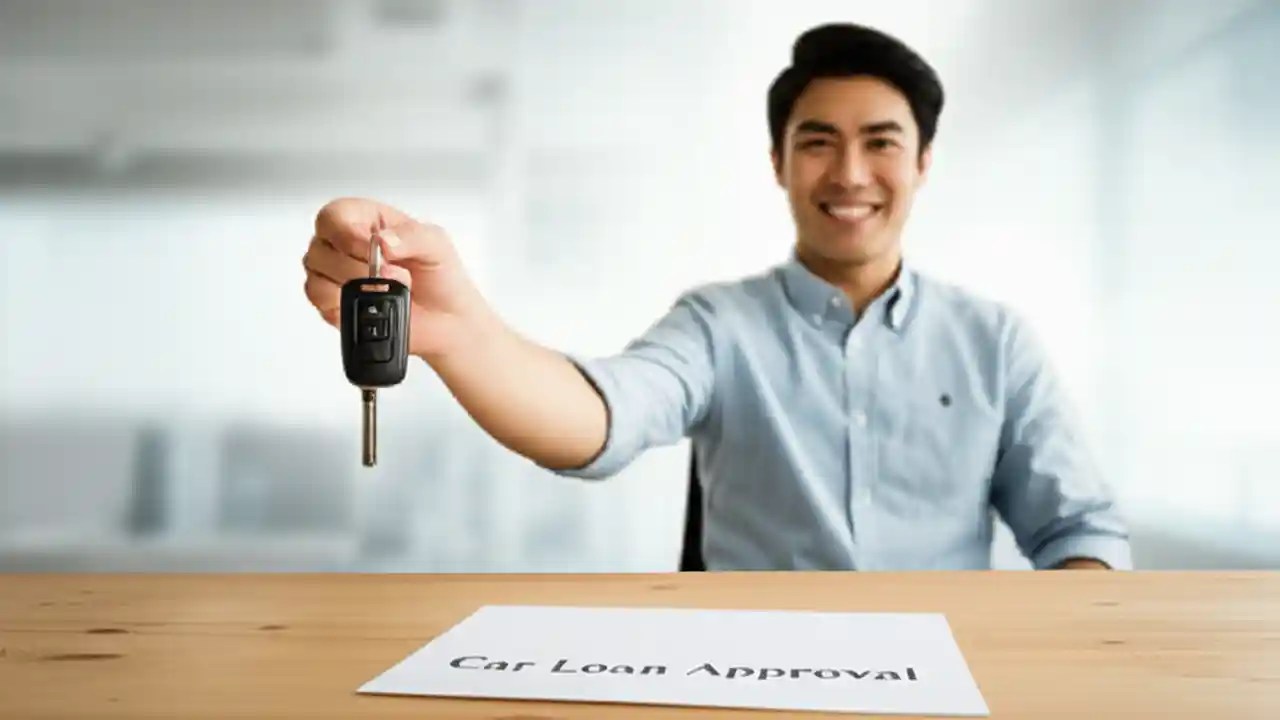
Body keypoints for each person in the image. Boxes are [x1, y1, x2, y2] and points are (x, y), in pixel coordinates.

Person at [302, 23, 1131, 571]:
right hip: (751, 682)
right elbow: (601, 420)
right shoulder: (718, 326)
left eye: (880, 143)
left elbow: (1080, 534)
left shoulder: (995, 341)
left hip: (949, 681)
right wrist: (461, 336)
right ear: (778, 162)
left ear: (922, 164)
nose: (848, 174)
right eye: (818, 143)